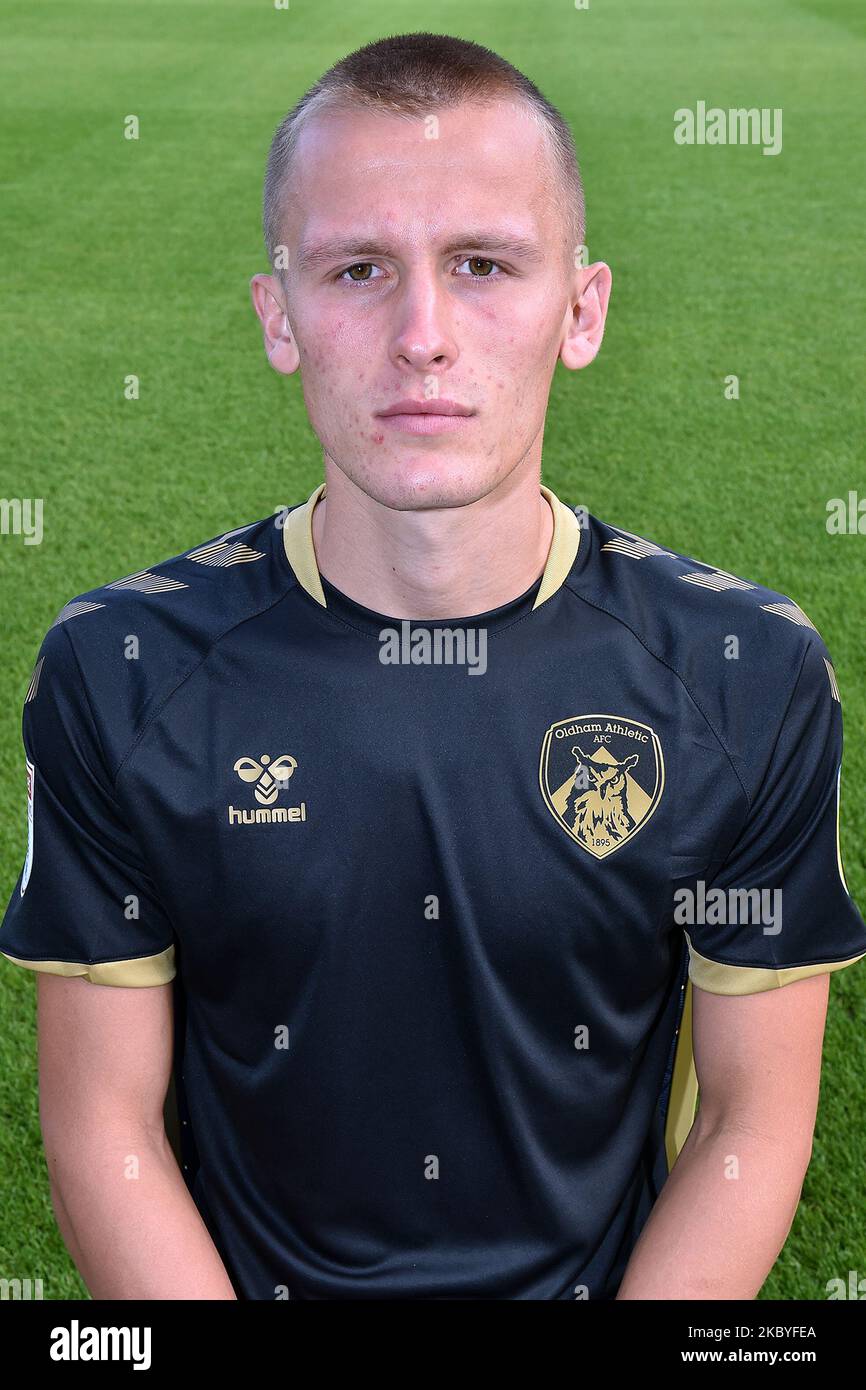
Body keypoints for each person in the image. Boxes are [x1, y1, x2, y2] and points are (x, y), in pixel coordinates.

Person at [2, 31, 864, 1302]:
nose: (422, 335)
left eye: (480, 265)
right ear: (277, 315)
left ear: (581, 310)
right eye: (356, 269)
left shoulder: (743, 676)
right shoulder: (121, 670)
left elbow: (749, 1117)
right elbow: (102, 1126)